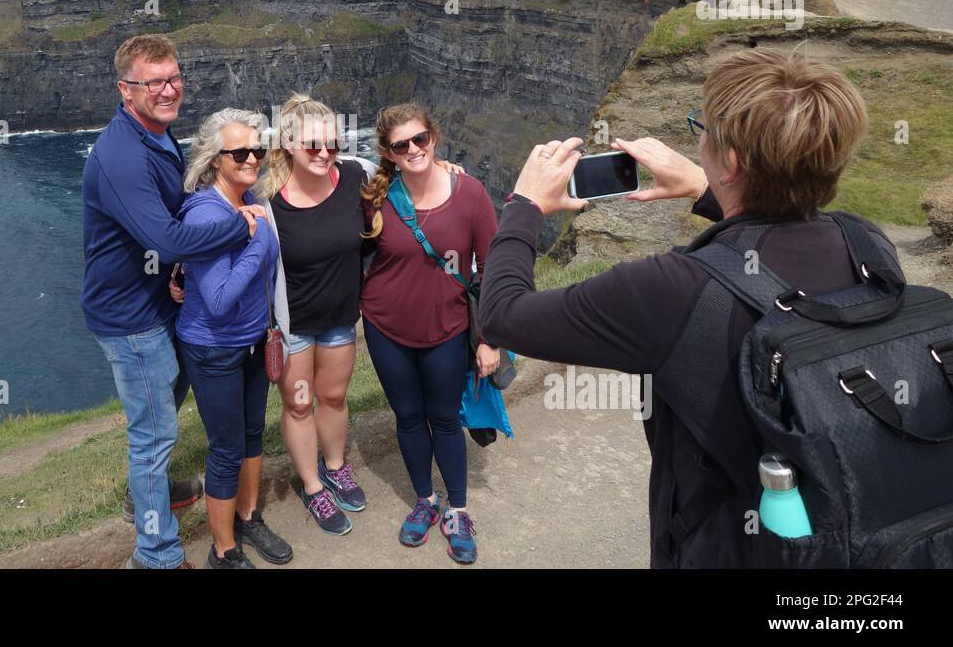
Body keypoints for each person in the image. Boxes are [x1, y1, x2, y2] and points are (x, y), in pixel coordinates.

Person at [479, 47, 894, 567]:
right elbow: (777, 233)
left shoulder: (671, 290)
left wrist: (523, 206)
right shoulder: (866, 245)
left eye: (704, 128)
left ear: (733, 161)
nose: (698, 141)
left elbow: (502, 315)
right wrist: (707, 188)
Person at [81, 35, 259, 570]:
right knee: (154, 434)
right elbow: (168, 239)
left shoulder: (156, 134)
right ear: (125, 89)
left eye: (173, 77)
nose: (167, 89)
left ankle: (147, 495)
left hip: (158, 302)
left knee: (165, 411)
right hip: (131, 318)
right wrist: (237, 226)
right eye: (153, 81)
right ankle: (155, 555)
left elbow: (176, 213)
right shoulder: (120, 157)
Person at [258, 94, 466, 536]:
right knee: (298, 404)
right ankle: (313, 488)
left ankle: (335, 466)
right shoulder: (269, 202)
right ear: (288, 146)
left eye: (330, 143)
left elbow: (407, 165)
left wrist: (441, 166)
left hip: (340, 318)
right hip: (292, 325)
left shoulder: (356, 175)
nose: (322, 152)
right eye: (311, 145)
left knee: (332, 397)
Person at [360, 103, 500, 564]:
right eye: (401, 145)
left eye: (420, 139)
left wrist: (490, 339)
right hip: (385, 326)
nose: (414, 149)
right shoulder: (376, 198)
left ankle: (457, 509)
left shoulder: (470, 193)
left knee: (443, 417)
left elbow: (493, 271)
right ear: (389, 152)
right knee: (407, 415)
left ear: (433, 138)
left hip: (447, 327)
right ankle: (425, 500)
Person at [177, 108, 293, 569]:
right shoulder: (207, 213)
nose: (252, 158)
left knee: (251, 433)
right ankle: (222, 550)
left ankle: (248, 516)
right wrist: (261, 241)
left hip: (250, 344)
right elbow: (220, 299)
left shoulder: (248, 201)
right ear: (214, 159)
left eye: (257, 150)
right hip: (214, 349)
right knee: (225, 447)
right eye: (239, 152)